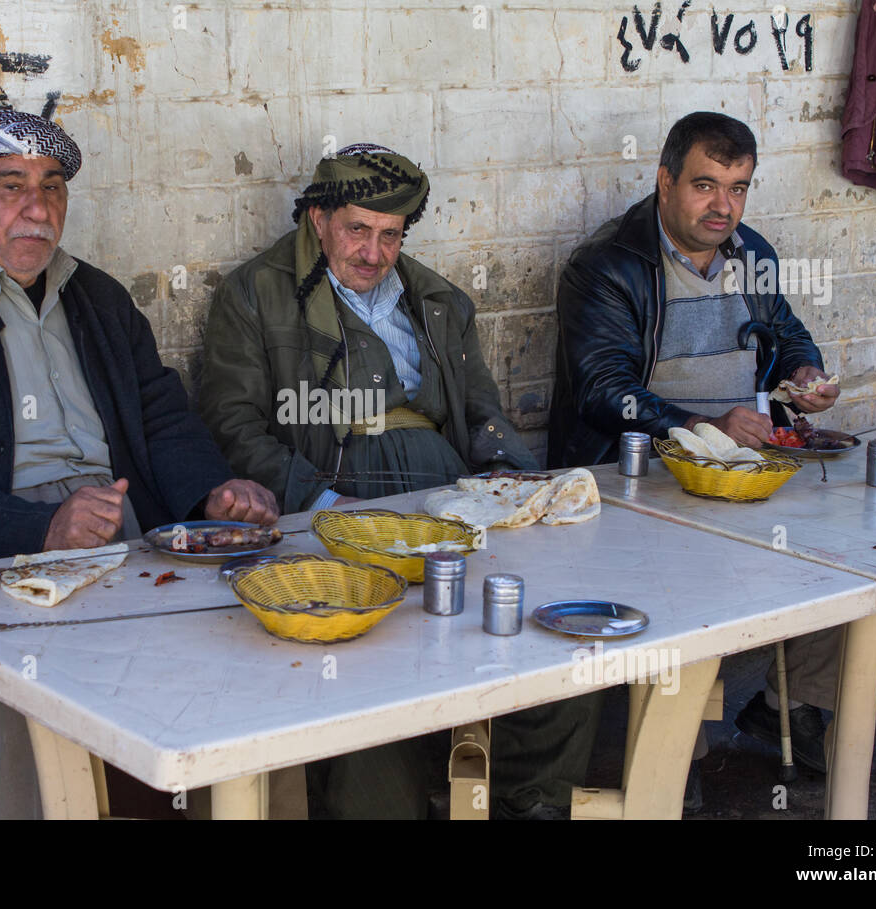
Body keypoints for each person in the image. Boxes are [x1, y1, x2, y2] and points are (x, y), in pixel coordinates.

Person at [0, 107, 277, 819]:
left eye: (52, 188)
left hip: (131, 550)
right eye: (10, 185)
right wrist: (40, 528)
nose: (37, 209)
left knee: (251, 664)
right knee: (24, 720)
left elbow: (162, 412)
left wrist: (213, 487)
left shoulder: (99, 299)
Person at [199, 143, 602, 819]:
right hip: (334, 498)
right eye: (358, 230)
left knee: (547, 647)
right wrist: (321, 502)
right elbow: (231, 424)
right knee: (374, 678)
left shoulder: (437, 298)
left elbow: (481, 412)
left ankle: (528, 798)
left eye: (390, 236)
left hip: (444, 500)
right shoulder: (255, 294)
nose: (373, 252)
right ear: (319, 219)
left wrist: (514, 483)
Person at [548, 112, 841, 788]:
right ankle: (678, 748)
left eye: (738, 188)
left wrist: (803, 375)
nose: (722, 206)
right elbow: (603, 393)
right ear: (664, 180)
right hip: (639, 475)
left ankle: (795, 707)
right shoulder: (606, 266)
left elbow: (787, 331)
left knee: (841, 554)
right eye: (705, 186)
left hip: (743, 468)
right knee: (690, 573)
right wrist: (706, 425)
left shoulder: (751, 253)